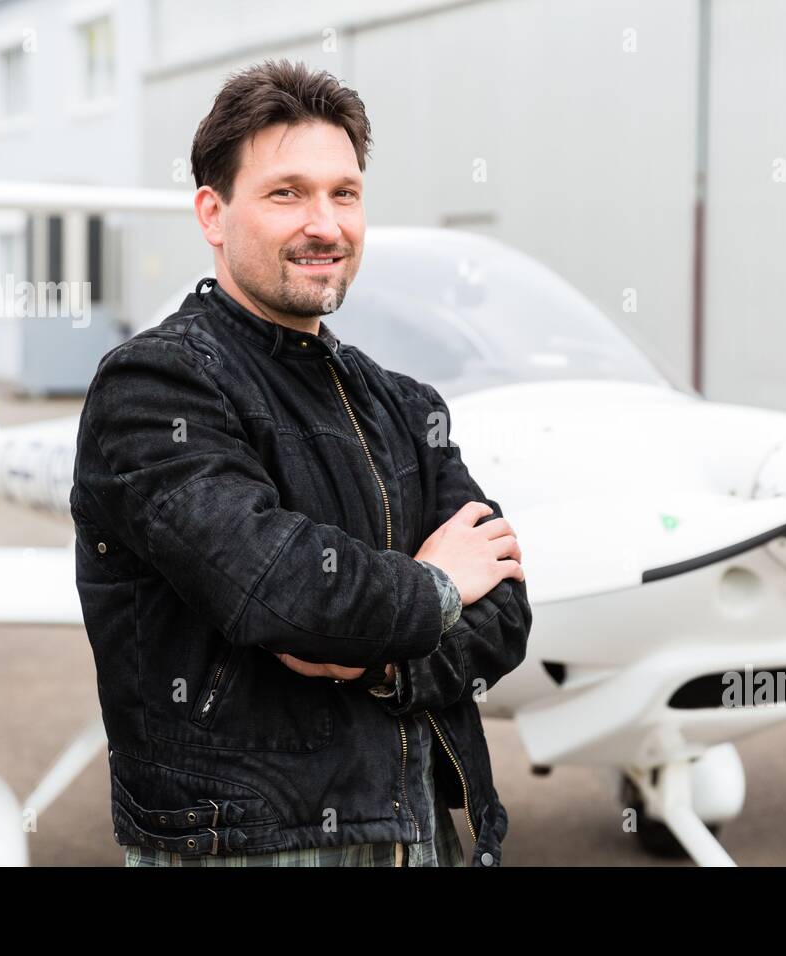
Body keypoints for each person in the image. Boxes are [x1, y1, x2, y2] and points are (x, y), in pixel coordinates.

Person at [71, 58, 532, 867]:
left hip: (421, 838)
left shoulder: (403, 403)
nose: (326, 224)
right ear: (213, 214)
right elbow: (289, 598)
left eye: (343, 193)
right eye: (287, 192)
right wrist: (432, 586)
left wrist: (375, 656)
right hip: (250, 848)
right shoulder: (156, 387)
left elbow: (505, 615)